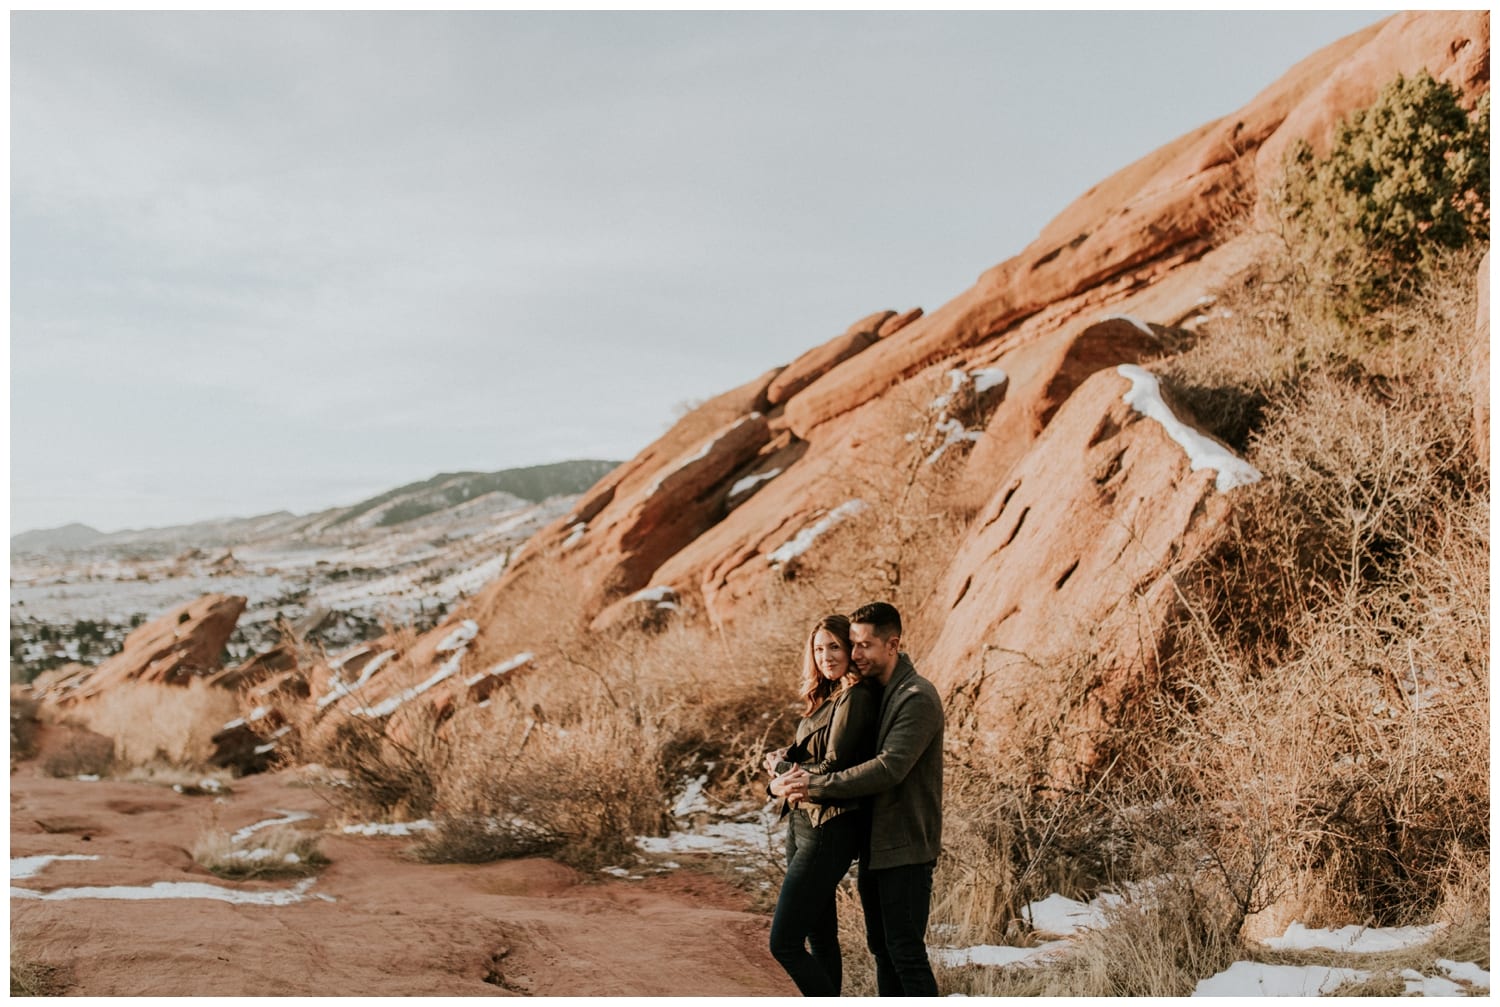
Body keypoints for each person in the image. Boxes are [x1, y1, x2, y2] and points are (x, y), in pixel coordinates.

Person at [772, 602, 944, 997]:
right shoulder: (879, 692)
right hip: (877, 841)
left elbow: (888, 768)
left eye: (863, 645)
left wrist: (812, 785)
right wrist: (788, 759)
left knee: (905, 952)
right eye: (854, 644)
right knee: (883, 949)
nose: (856, 654)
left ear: (892, 644)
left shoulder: (915, 696)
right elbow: (838, 745)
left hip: (905, 843)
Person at [762, 613, 881, 996]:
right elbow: (815, 756)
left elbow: (835, 766)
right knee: (820, 935)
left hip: (828, 827)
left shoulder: (855, 696)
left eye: (834, 647)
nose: (826, 656)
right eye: (818, 648)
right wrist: (784, 765)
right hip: (803, 821)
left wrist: (780, 768)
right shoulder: (827, 696)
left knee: (783, 943)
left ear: (849, 649)